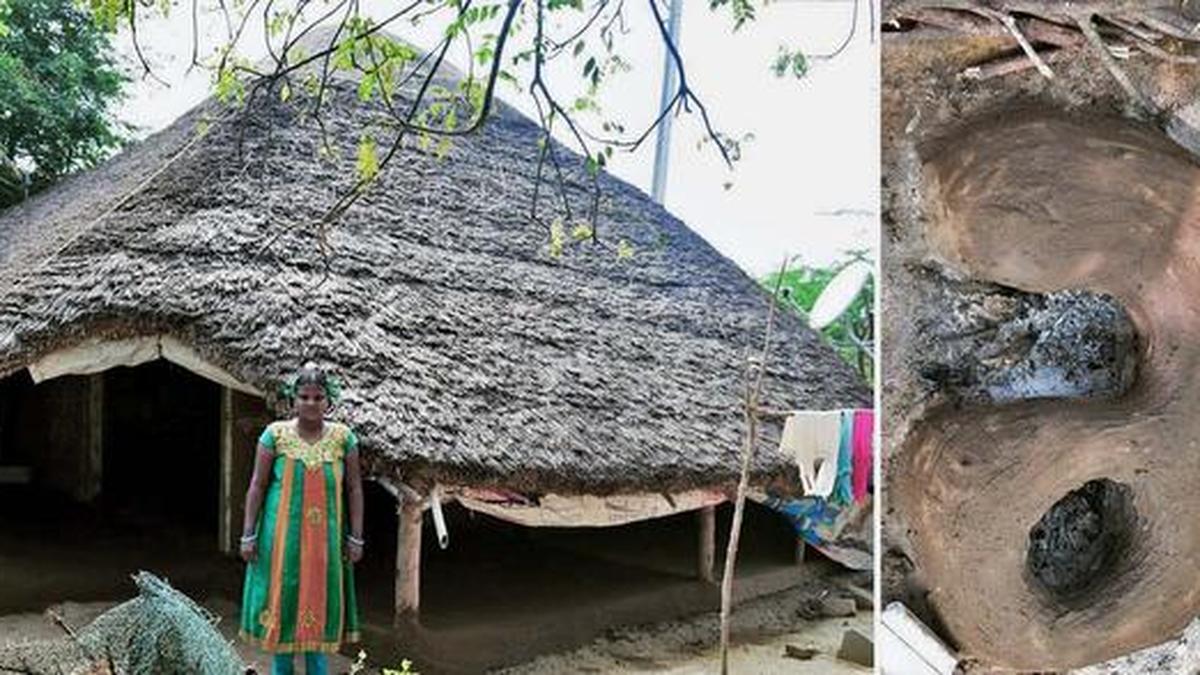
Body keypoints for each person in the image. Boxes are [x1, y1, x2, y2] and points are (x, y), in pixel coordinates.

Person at [238, 362, 364, 675]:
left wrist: (356, 536)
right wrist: (248, 534)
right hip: (280, 541)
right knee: (283, 608)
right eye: (304, 397)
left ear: (328, 400)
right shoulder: (274, 436)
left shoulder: (343, 439)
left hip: (325, 545)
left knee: (317, 611)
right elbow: (257, 485)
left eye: (317, 397)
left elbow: (354, 488)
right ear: (293, 399)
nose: (310, 403)